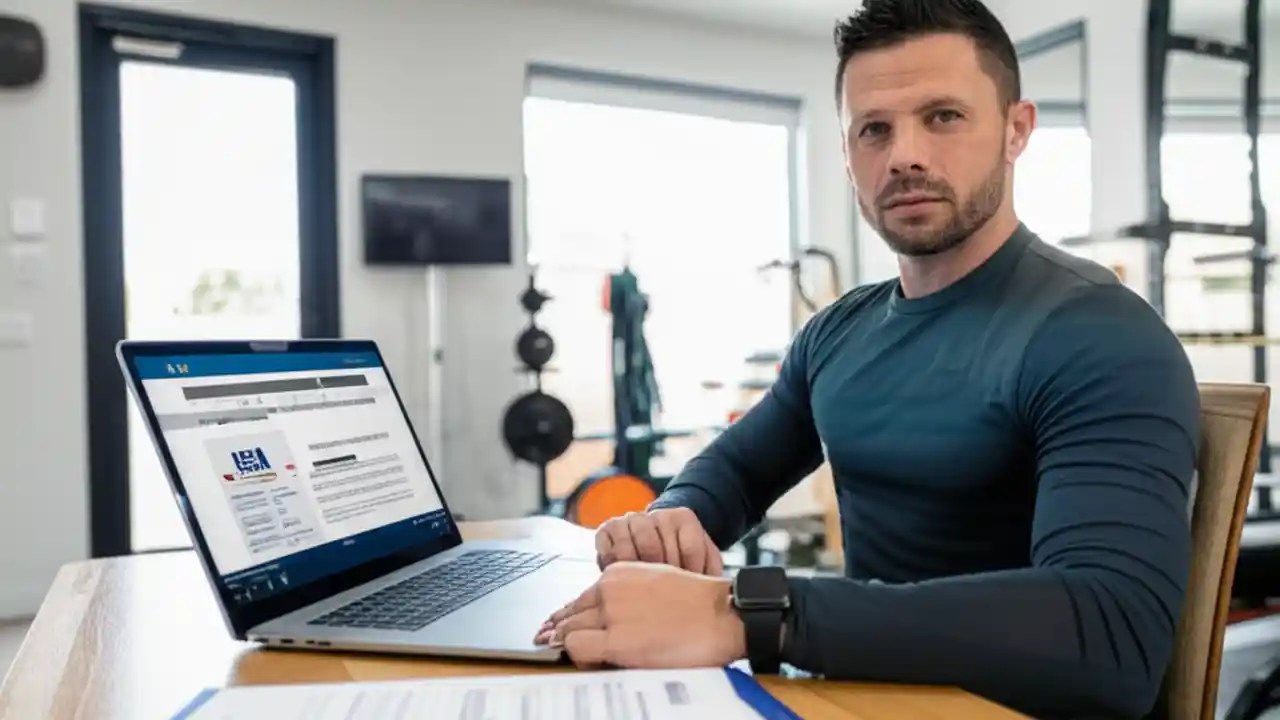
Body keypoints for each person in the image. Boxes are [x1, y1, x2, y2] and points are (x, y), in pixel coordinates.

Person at [534, 1, 1199, 717]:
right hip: (853, 700)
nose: (905, 154)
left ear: (1017, 130)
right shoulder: (839, 332)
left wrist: (746, 613)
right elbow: (735, 471)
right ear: (849, 157)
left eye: (943, 116)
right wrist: (671, 519)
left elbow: (1112, 641)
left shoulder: (1096, 333)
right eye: (873, 129)